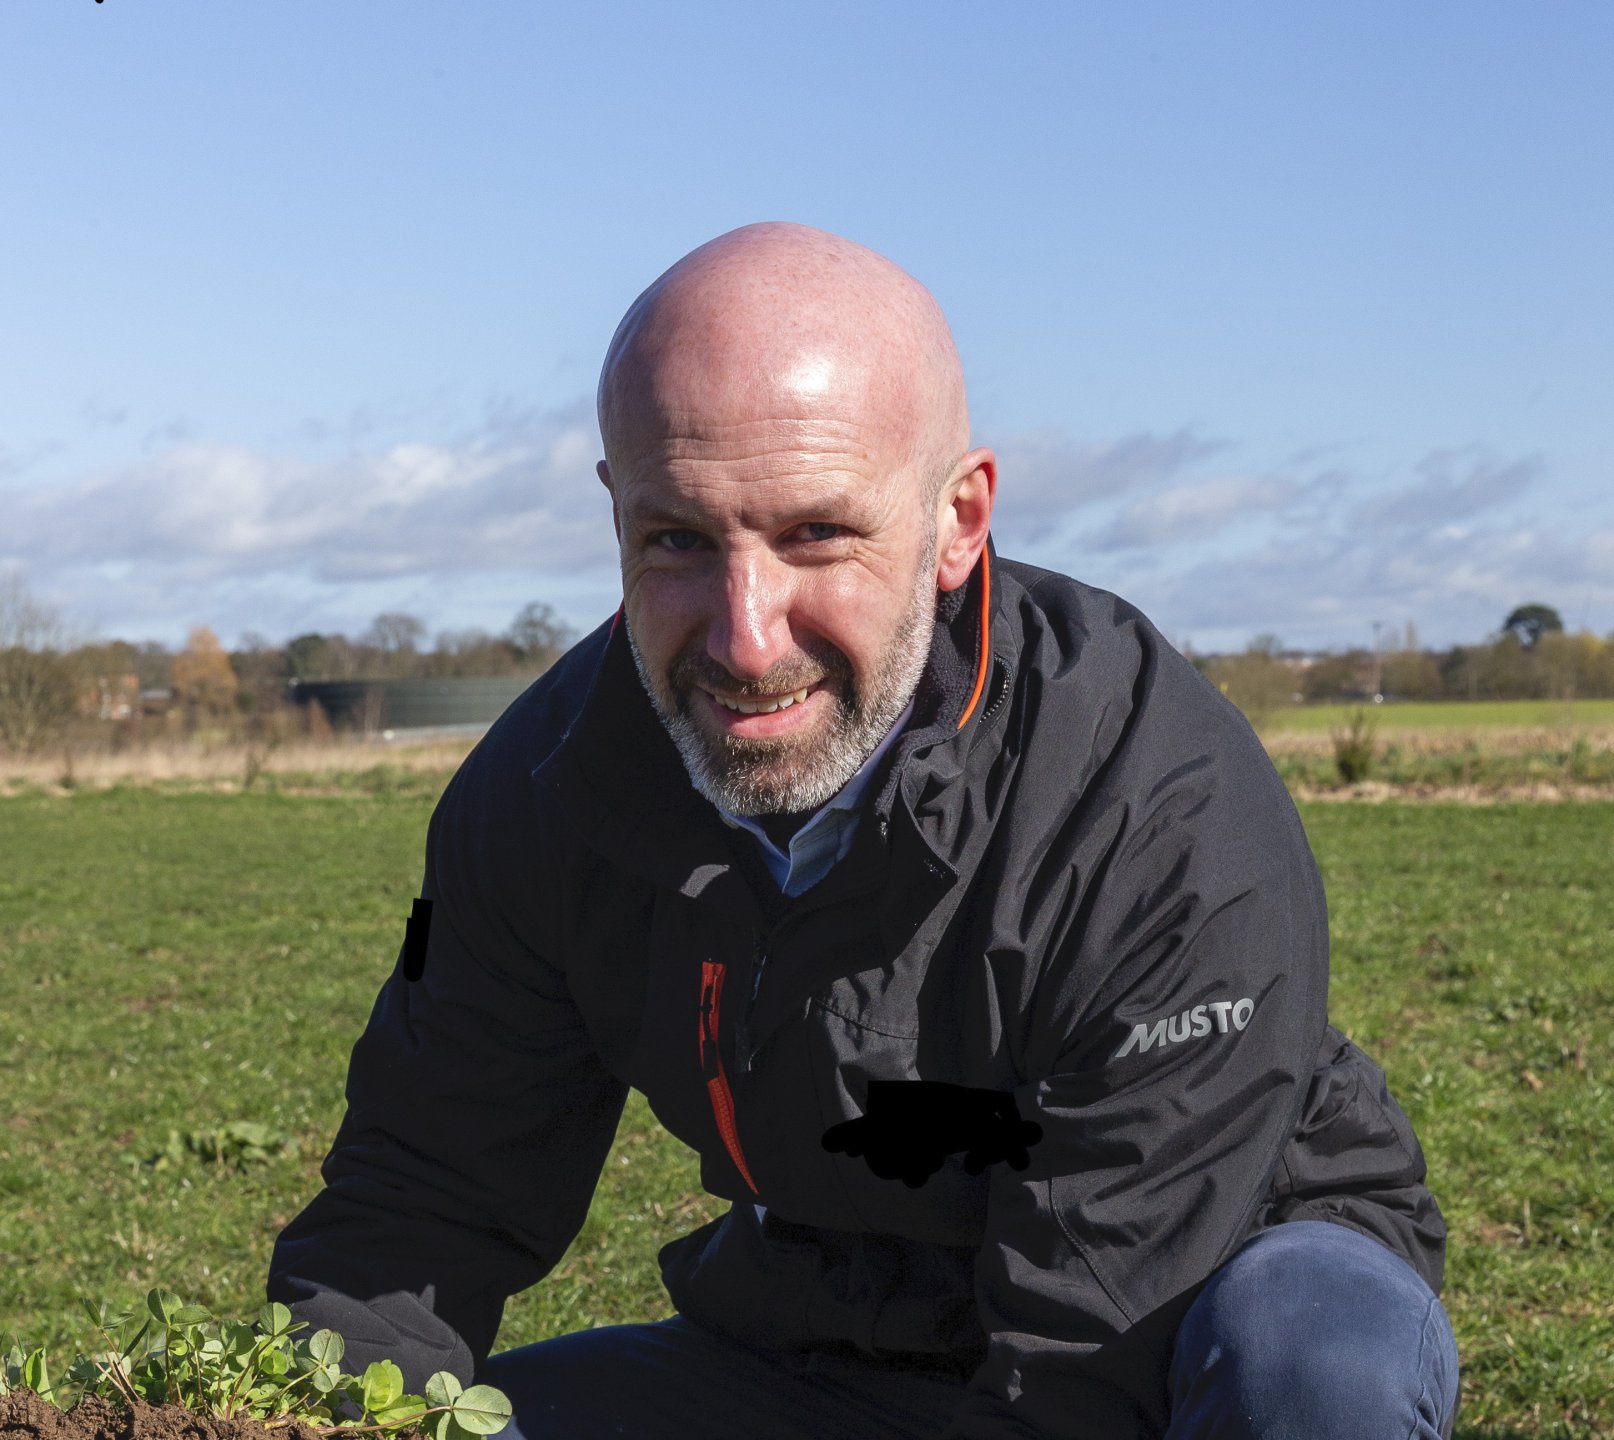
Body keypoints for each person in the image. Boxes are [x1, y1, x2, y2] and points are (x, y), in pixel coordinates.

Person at [267, 223, 1458, 1439]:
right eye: (676, 537)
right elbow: (417, 1196)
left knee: (1310, 1370)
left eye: (816, 534)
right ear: (614, 508)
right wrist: (329, 1411)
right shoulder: (539, 790)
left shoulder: (1155, 802)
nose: (744, 639)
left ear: (958, 520)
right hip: (826, 1323)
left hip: (1193, 1304)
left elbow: (1095, 1345)